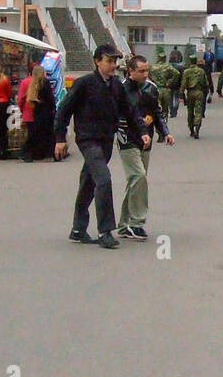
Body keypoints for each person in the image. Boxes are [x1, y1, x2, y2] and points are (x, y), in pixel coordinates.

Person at [54, 44, 151, 248]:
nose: (113, 65)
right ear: (98, 61)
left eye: (115, 61)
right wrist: (60, 138)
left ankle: (78, 229)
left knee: (88, 182)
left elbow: (130, 111)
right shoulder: (84, 84)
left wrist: (142, 131)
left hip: (106, 140)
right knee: (104, 179)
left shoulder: (116, 86)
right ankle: (105, 231)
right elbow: (63, 110)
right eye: (109, 61)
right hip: (88, 140)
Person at [117, 55, 175, 240]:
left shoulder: (151, 88)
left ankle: (125, 224)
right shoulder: (121, 89)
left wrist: (165, 132)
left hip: (146, 139)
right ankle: (137, 222)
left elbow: (156, 112)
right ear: (131, 71)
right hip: (127, 138)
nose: (145, 74)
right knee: (138, 176)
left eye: (147, 70)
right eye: (141, 71)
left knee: (136, 181)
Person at [181, 54, 211, 139]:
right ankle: (197, 128)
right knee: (198, 111)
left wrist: (181, 93)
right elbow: (206, 83)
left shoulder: (186, 71)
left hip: (190, 93)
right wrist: (206, 92)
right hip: (199, 92)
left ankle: (191, 130)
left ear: (190, 61)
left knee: (190, 112)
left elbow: (183, 84)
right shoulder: (201, 71)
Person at [151, 54, 181, 125]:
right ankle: (164, 127)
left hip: (156, 89)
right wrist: (170, 82)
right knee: (165, 110)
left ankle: (158, 129)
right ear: (165, 58)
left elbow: (148, 74)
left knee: (157, 110)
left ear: (158, 58)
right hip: (165, 89)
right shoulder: (168, 67)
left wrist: (153, 81)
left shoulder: (153, 67)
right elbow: (177, 73)